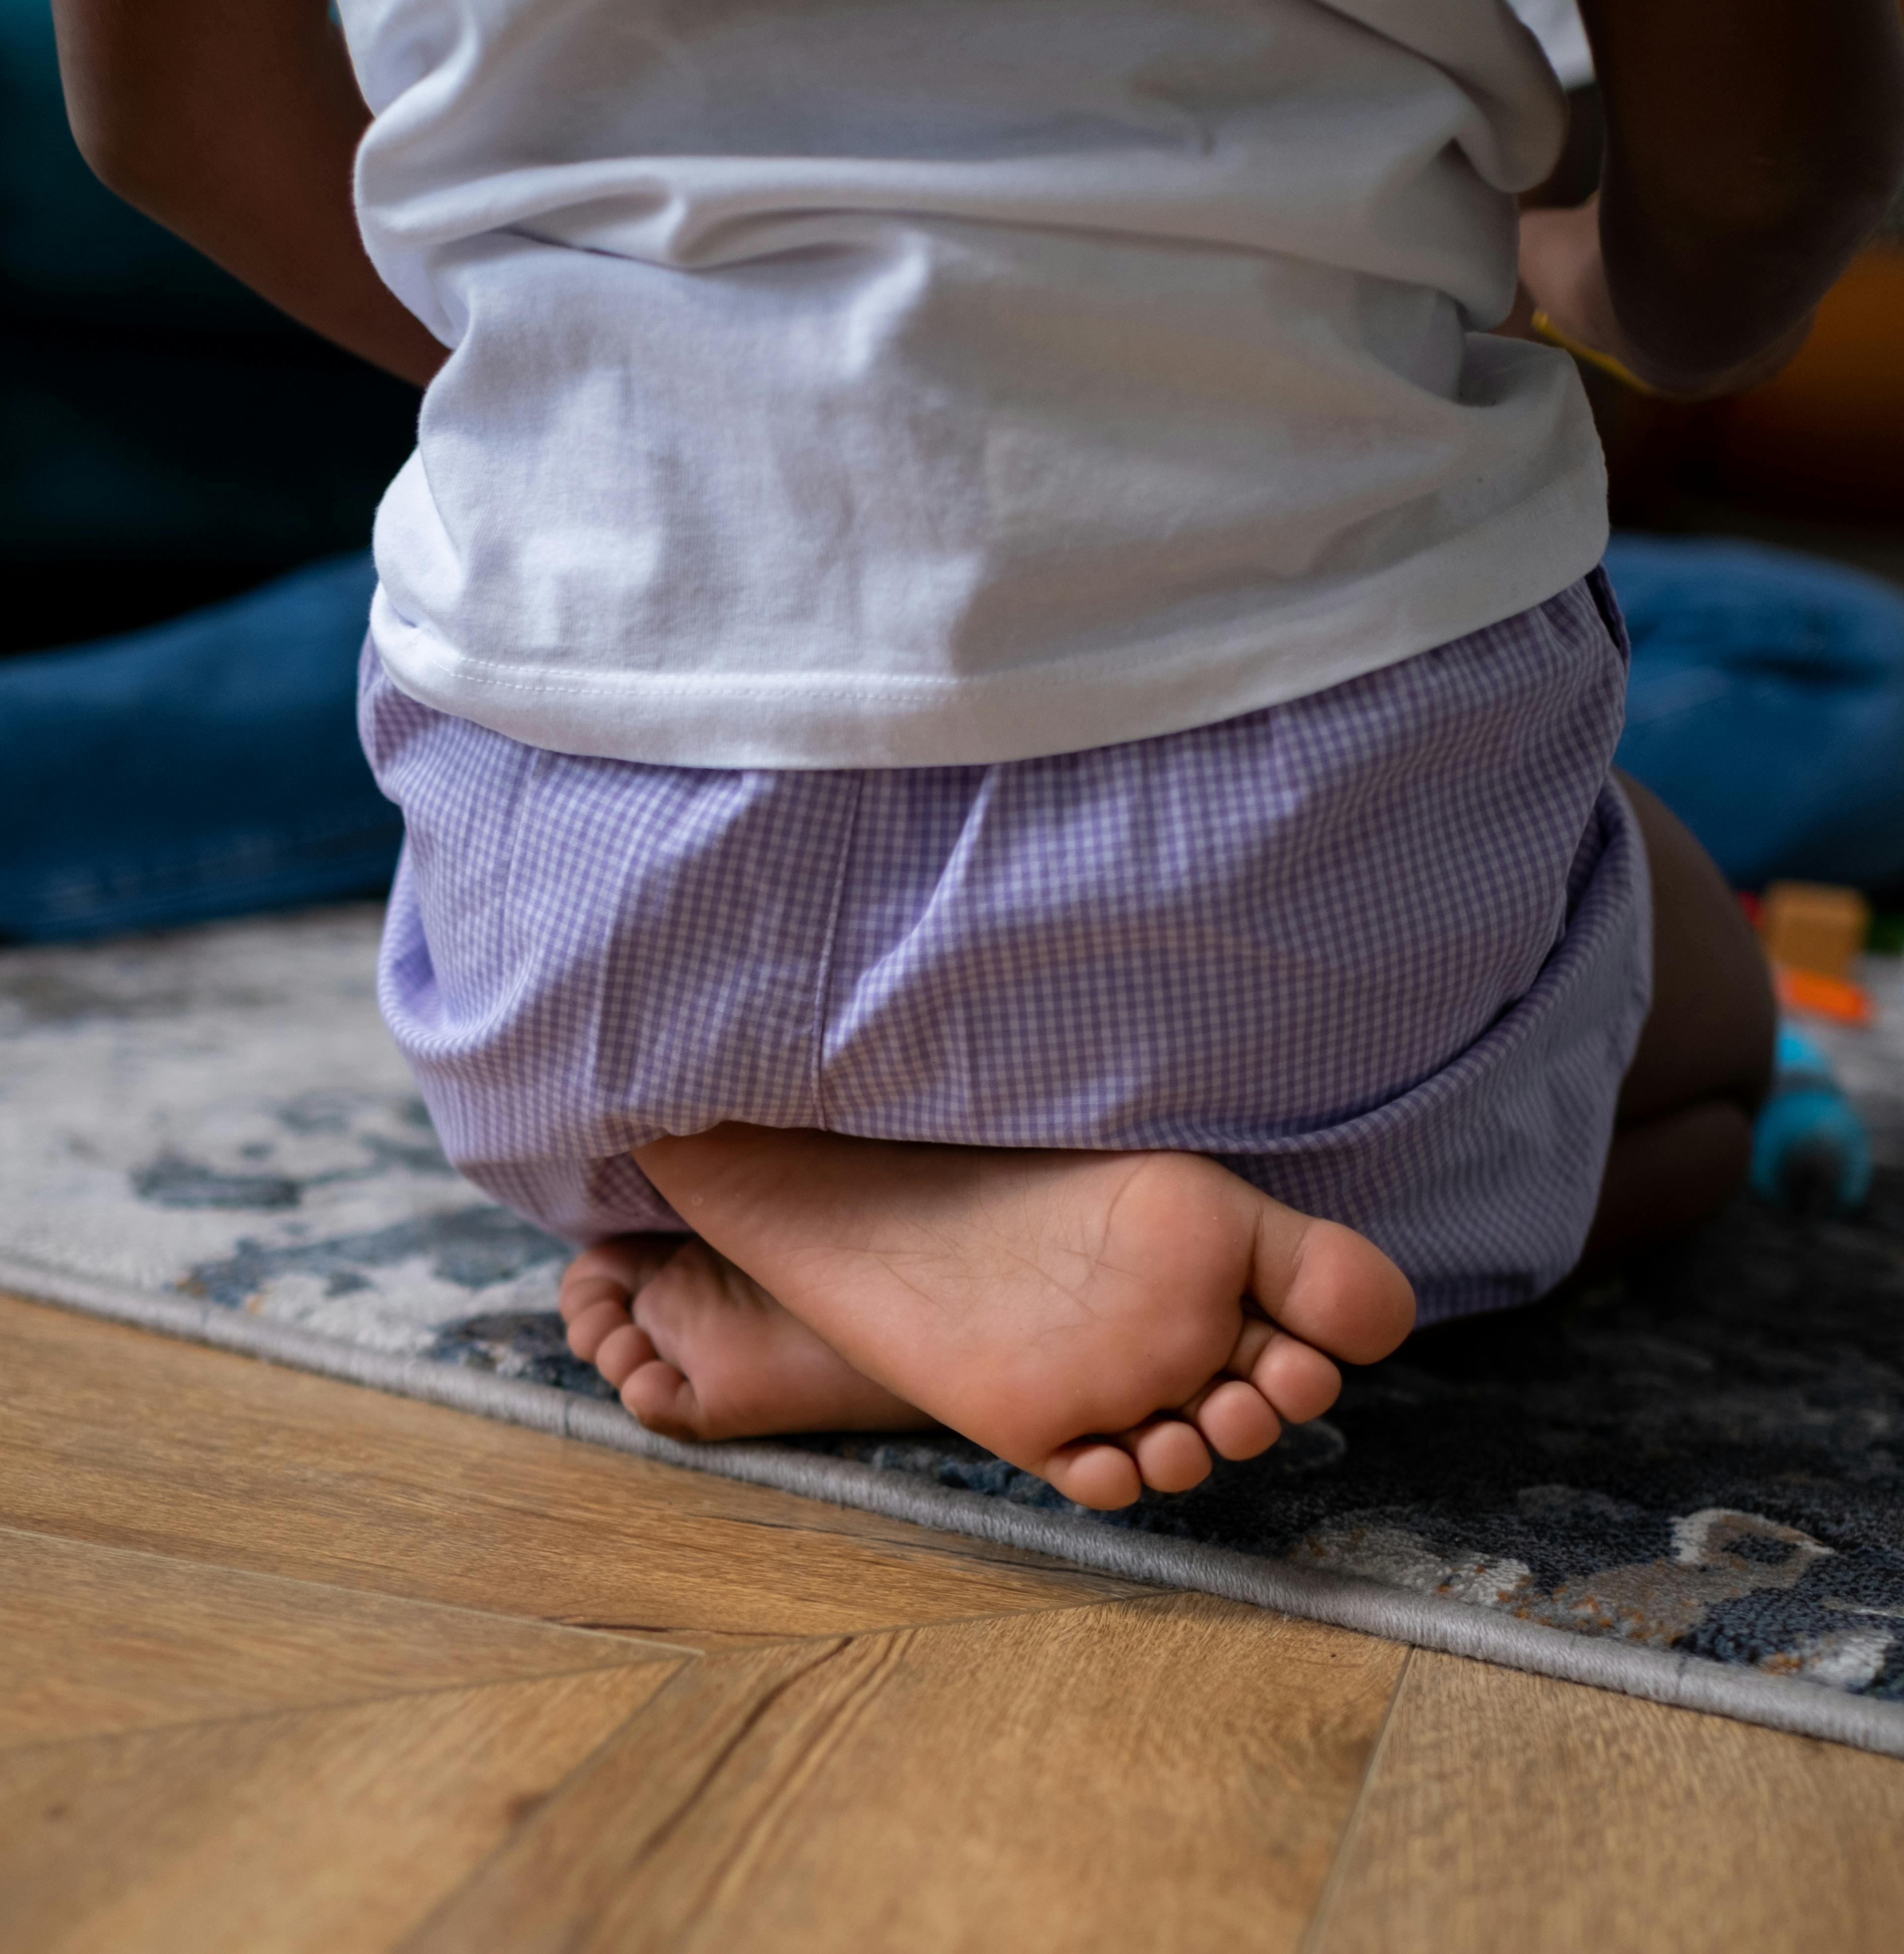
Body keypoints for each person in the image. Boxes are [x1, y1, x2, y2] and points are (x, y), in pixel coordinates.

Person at [53, 0, 1904, 1509]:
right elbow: (1763, 174)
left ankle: (816, 1186)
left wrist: (600, 410)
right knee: (1712, 1061)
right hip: (1320, 886)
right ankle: (1313, 1188)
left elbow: (162, 116)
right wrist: (1607, 278)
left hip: (569, 913)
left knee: (612, 948)